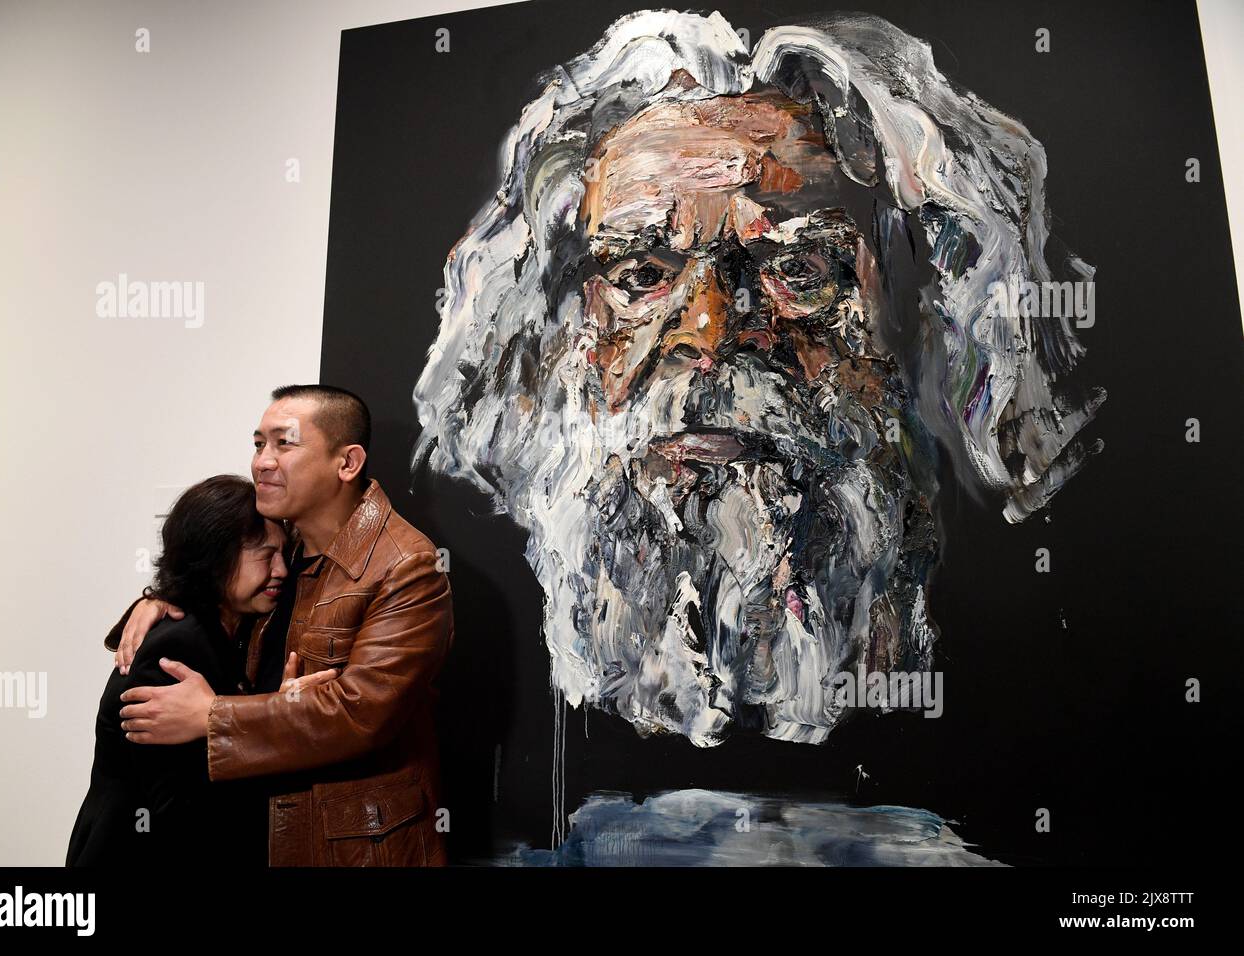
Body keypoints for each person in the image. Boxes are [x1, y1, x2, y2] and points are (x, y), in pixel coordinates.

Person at [411, 10, 1105, 747]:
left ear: (920, 309)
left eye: (797, 272)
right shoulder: (497, 649)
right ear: (566, 332)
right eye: (641, 275)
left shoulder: (1040, 649)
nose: (709, 337)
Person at [109, 385, 454, 866]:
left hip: (354, 848)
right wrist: (165, 597)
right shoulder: (281, 541)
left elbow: (361, 715)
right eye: (257, 444)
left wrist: (212, 716)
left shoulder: (407, 566)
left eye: (283, 444)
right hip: (259, 832)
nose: (262, 462)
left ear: (347, 463)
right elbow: (215, 571)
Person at [66, 474, 334, 866]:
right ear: (215, 556)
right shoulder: (179, 645)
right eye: (264, 554)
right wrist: (284, 724)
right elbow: (185, 812)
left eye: (284, 554)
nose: (281, 570)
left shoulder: (233, 631)